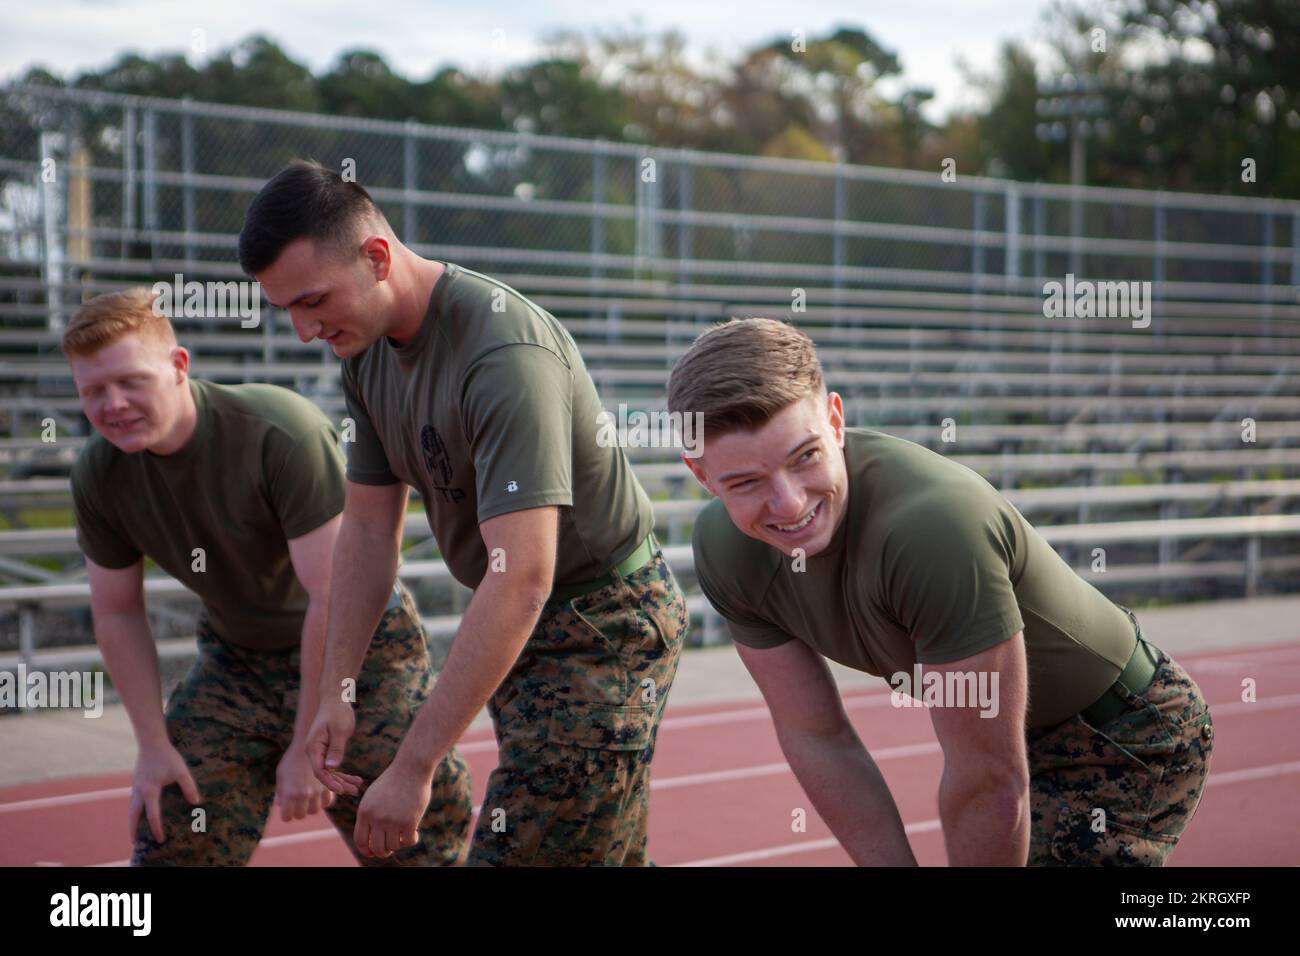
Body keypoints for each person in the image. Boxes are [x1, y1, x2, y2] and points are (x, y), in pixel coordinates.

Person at [238, 160, 687, 865]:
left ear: (377, 256)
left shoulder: (503, 355)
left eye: (313, 300)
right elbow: (364, 531)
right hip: (528, 619)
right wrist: (337, 688)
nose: (302, 330)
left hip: (601, 624)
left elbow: (523, 576)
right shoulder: (365, 351)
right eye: (288, 309)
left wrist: (414, 768)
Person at [668, 316, 1214, 866]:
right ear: (701, 473)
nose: (788, 504)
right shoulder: (725, 549)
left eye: (805, 456)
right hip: (1011, 737)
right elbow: (816, 735)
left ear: (835, 421)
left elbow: (991, 779)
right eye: (746, 483)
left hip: (1123, 729)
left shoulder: (932, 530)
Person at [65, 287, 472, 866]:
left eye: (131, 381)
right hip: (240, 660)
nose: (114, 405)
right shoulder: (99, 475)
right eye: (93, 392)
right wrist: (152, 746)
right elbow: (116, 610)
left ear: (179, 367)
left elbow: (332, 595)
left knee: (411, 839)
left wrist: (309, 743)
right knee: (172, 824)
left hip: (358, 656)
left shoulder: (279, 433)